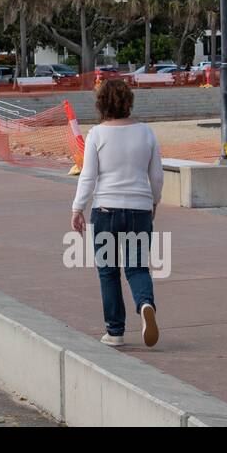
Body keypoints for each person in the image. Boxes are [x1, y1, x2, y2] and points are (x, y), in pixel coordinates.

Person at [70, 78, 164, 349]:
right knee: (137, 267)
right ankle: (145, 304)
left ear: (101, 104)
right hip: (139, 210)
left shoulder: (97, 135)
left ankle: (115, 331)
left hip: (106, 211)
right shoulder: (146, 133)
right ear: (128, 102)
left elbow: (88, 177)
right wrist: (154, 201)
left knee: (108, 272)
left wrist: (77, 208)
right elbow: (156, 176)